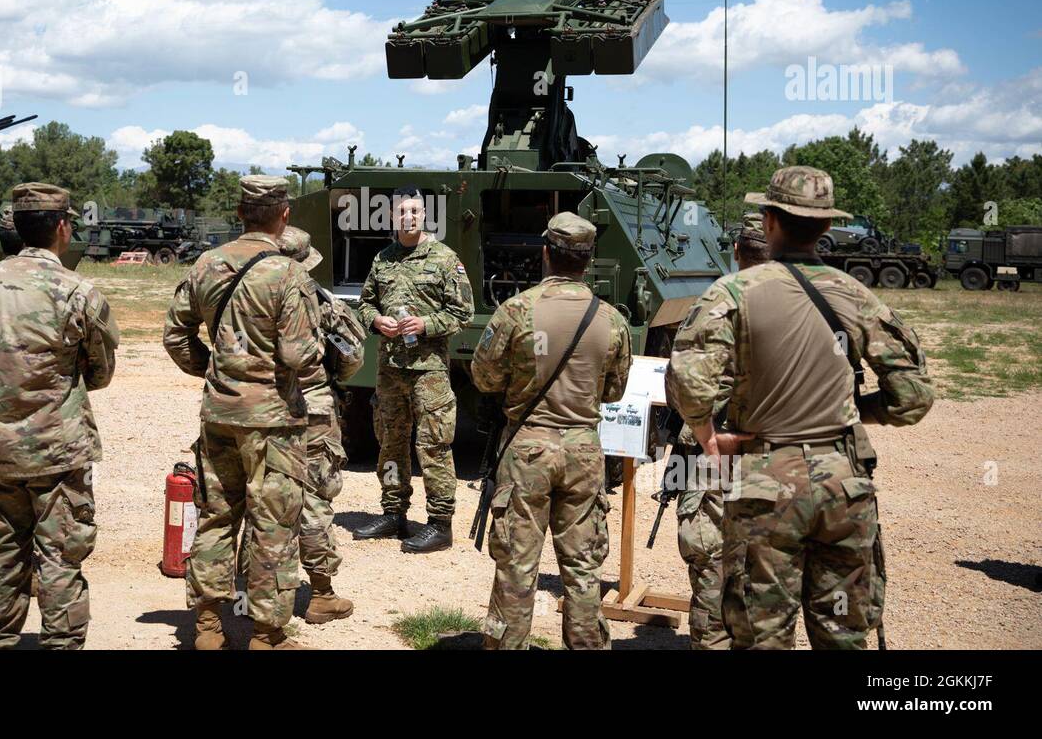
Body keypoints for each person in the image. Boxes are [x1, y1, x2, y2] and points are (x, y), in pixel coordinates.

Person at [665, 167, 934, 649]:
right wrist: (855, 412)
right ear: (827, 227)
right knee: (843, 634)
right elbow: (912, 397)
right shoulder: (855, 295)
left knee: (761, 633)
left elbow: (688, 382)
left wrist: (707, 437)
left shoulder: (731, 294)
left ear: (769, 221)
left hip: (764, 483)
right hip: (844, 482)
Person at [164, 176, 325, 650]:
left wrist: (216, 372)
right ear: (284, 215)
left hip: (218, 414)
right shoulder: (288, 275)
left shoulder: (207, 264)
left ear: (239, 213)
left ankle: (208, 625)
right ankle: (267, 633)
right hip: (273, 421)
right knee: (273, 523)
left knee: (216, 514)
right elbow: (298, 356)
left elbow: (176, 336)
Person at [470, 212, 632, 649]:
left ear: (546, 253)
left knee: (517, 566)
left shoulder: (516, 310)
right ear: (589, 258)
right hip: (583, 450)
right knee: (582, 569)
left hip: (527, 450)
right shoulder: (611, 319)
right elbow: (615, 391)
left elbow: (484, 378)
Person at [0, 183, 119, 649]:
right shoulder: (76, 290)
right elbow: (100, 370)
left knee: (1, 553)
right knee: (61, 556)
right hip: (58, 447)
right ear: (61, 227)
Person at [353, 186, 473, 553]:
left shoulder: (444, 259)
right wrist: (376, 322)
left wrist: (426, 325)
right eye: (402, 212)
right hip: (390, 370)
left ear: (424, 216)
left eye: (415, 212)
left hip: (429, 370)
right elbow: (365, 304)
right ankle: (393, 513)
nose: (408, 217)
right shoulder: (383, 260)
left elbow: (463, 312)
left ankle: (440, 523)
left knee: (433, 445)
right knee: (390, 442)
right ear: (392, 217)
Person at [673, 211, 768, 650]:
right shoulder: (816, 304)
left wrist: (703, 431)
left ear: (735, 251)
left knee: (711, 560)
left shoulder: (716, 303)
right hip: (789, 465)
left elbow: (682, 381)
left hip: (723, 455)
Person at [277, 226, 365, 624]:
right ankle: (321, 595)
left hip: (263, 411)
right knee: (314, 500)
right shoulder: (323, 302)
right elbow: (352, 356)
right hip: (312, 411)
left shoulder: (248, 297)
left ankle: (255, 589)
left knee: (265, 497)